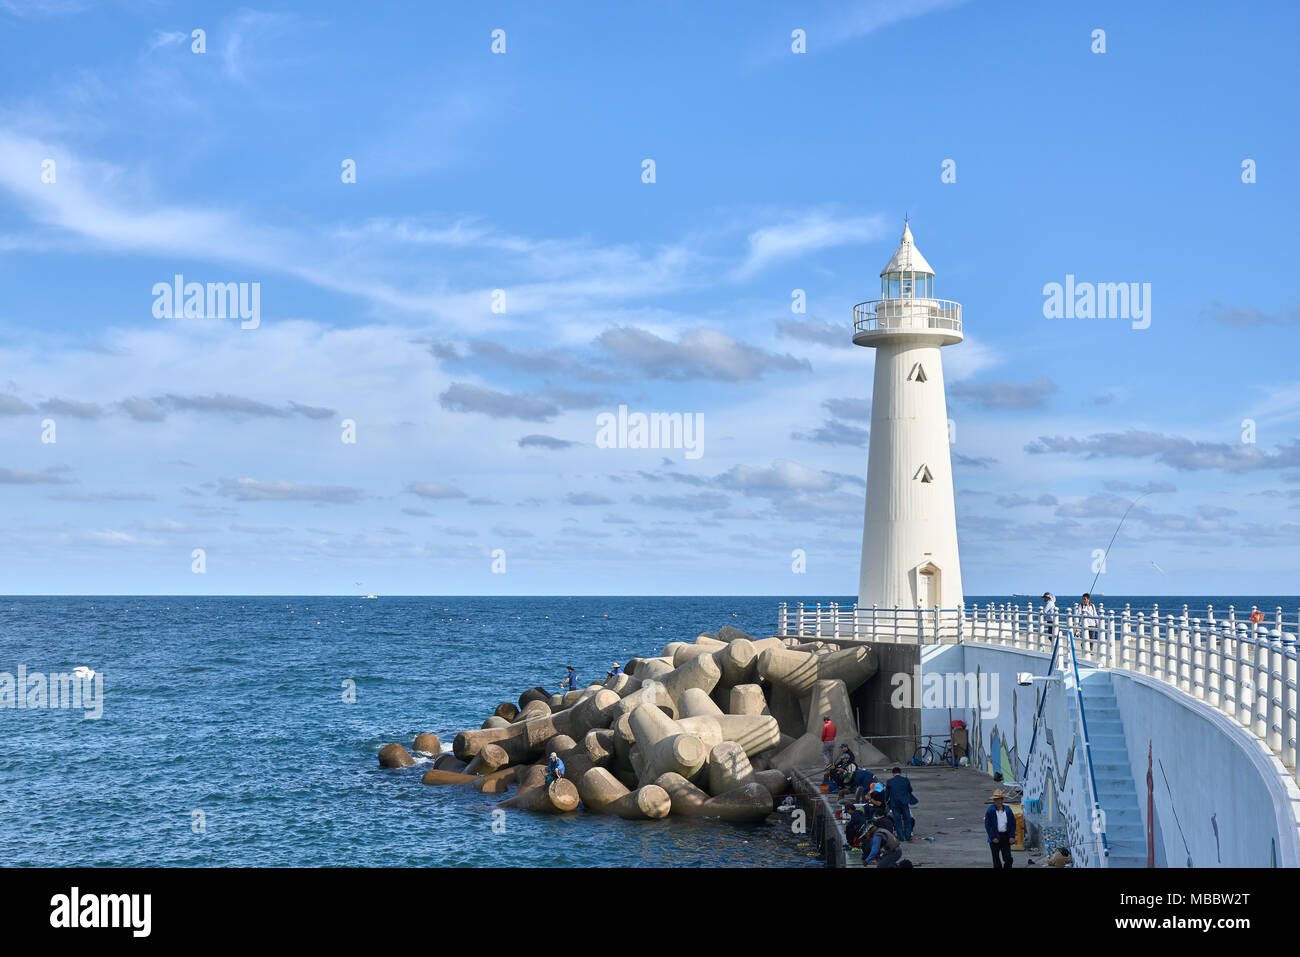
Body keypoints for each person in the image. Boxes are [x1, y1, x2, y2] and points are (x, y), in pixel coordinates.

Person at [884, 766, 918, 841]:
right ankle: (908, 836)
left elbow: (887, 794)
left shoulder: (889, 781)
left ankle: (901, 837)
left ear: (893, 773)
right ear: (900, 772)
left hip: (895, 804)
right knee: (907, 819)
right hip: (904, 803)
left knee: (897, 820)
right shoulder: (905, 780)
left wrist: (885, 802)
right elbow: (910, 790)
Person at [985, 788, 1016, 868]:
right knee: (996, 862)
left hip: (1005, 837)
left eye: (999, 799)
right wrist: (993, 837)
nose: (998, 802)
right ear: (994, 801)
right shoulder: (990, 811)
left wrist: (1012, 836)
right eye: (996, 800)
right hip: (994, 837)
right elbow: (988, 825)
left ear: (1002, 800)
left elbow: (1013, 823)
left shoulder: (1008, 810)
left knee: (1008, 859)